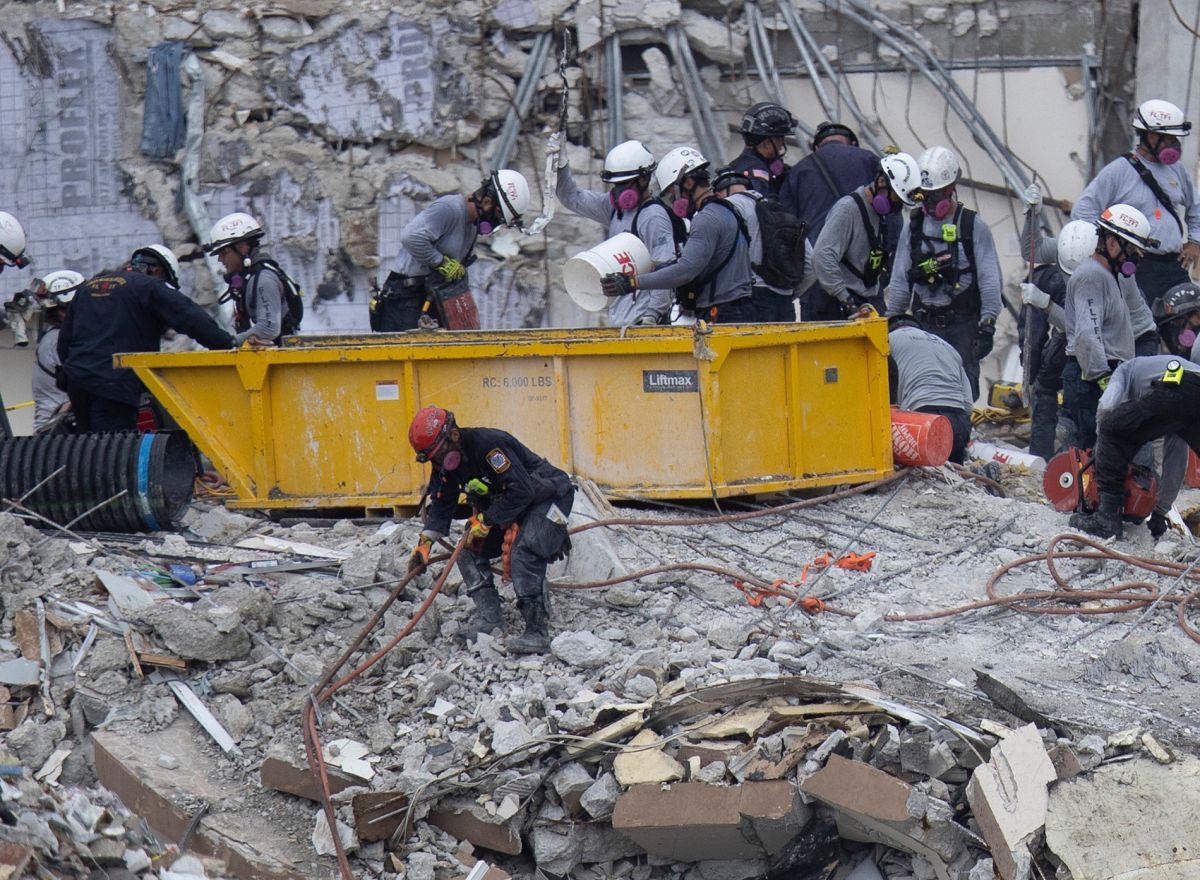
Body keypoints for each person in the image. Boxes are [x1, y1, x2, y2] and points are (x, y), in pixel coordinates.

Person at [407, 406, 574, 654]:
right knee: (467, 550)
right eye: (433, 458)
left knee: (523, 550)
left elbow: (523, 490)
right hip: (511, 505)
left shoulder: (490, 446)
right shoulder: (445, 465)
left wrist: (486, 519)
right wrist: (424, 545)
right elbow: (441, 505)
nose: (439, 462)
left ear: (454, 435)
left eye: (439, 454)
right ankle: (490, 619)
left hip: (548, 497)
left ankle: (537, 632)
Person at [58, 245, 234, 432]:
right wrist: (226, 344)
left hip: (78, 382)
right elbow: (190, 318)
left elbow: (64, 344)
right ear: (158, 270)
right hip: (115, 383)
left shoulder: (87, 288)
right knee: (112, 445)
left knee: (87, 444)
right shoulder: (149, 286)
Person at [885, 145, 1003, 401]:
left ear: (951, 188)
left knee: (962, 393)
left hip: (961, 326)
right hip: (923, 324)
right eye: (924, 195)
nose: (928, 203)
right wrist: (891, 323)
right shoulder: (914, 226)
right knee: (919, 391)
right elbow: (900, 280)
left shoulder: (972, 226)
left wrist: (987, 326)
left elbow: (990, 281)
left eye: (935, 195)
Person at [601, 147, 755, 323]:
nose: (674, 201)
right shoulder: (727, 210)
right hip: (736, 309)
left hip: (724, 313)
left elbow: (685, 271)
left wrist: (632, 282)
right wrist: (653, 267)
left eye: (672, 194)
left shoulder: (706, 219)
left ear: (688, 183)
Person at [1071, 99, 1200, 310]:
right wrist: (1110, 246)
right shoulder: (1119, 170)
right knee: (1144, 323)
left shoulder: (1177, 170)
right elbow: (1083, 211)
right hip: (1139, 267)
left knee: (1187, 321)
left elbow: (1196, 207)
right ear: (1151, 136)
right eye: (1169, 138)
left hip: (1175, 265)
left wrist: (1195, 242)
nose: (1174, 144)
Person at [375, 171, 530, 331]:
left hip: (431, 296)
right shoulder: (449, 208)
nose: (496, 223)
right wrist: (441, 263)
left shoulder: (472, 224)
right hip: (405, 299)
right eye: (498, 217)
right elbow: (411, 237)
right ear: (487, 201)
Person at [1069, 354, 1200, 539]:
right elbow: (1176, 463)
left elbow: (1106, 406)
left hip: (1177, 383)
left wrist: (1101, 448)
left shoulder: (1124, 370)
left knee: (1111, 428)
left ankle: (1107, 519)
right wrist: (1160, 512)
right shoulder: (1174, 414)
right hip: (1192, 385)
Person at [1061, 204, 1156, 451]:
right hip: (1091, 380)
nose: (1136, 257)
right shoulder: (1092, 277)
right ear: (1112, 243)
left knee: (1108, 453)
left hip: (1104, 376)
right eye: (1132, 249)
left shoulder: (1110, 277)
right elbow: (1087, 334)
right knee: (1091, 453)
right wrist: (1104, 379)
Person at [556, 141, 677, 325]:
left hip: (644, 322)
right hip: (621, 323)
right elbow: (571, 198)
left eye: (624, 183)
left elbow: (666, 272)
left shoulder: (653, 217)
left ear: (644, 178)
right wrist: (560, 162)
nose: (618, 191)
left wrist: (651, 318)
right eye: (615, 184)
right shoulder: (614, 209)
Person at [1018, 220, 1097, 459]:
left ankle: (1084, 461)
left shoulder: (1104, 279)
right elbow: (1031, 251)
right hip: (1068, 339)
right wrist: (1032, 216)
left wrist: (1046, 304)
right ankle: (1041, 459)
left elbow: (1079, 329)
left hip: (1102, 344)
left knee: (1083, 407)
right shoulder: (1067, 249)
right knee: (1045, 387)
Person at [811, 152, 921, 317]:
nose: (896, 206)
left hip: (868, 298)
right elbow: (822, 256)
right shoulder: (848, 209)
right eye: (895, 197)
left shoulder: (884, 216)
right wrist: (847, 301)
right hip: (838, 302)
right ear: (881, 182)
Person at [711, 166, 803, 322]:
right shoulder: (778, 209)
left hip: (752, 296)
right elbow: (810, 261)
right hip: (786, 299)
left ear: (718, 194)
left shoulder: (727, 207)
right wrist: (791, 292)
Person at [887, 314, 974, 463]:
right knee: (954, 474)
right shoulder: (948, 346)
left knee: (915, 474)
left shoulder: (887, 341)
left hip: (922, 420)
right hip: (958, 423)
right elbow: (968, 405)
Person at [207, 213, 298, 345]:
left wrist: (232, 342)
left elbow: (268, 328)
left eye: (224, 252)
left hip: (282, 353)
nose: (220, 259)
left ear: (243, 248)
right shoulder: (250, 279)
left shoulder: (263, 280)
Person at [31, 270, 83, 433]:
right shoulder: (58, 339)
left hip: (58, 426)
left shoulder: (56, 336)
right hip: (57, 429)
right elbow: (83, 379)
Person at [728, 102, 798, 196]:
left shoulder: (737, 165)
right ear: (767, 142)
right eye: (780, 138)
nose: (782, 143)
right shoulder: (758, 178)